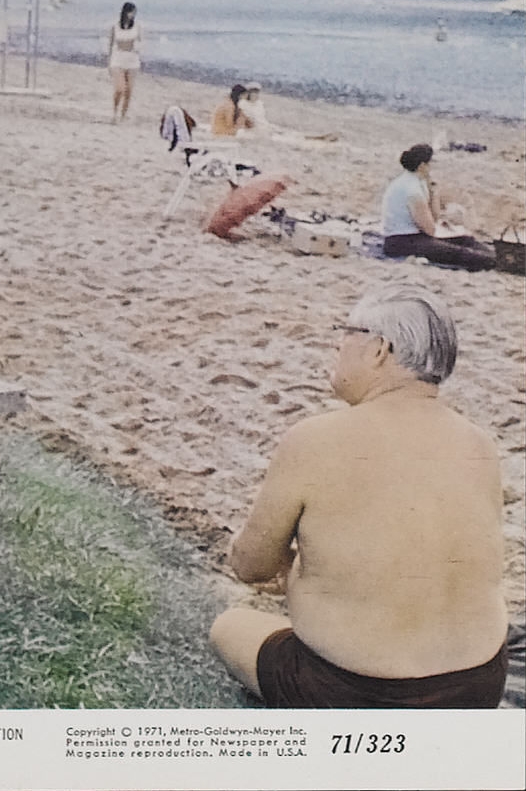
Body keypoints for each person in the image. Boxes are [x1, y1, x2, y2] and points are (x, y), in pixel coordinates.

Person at [210, 284, 508, 708]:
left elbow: (250, 566)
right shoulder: (480, 444)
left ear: (379, 350)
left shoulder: (316, 439)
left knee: (230, 625)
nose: (337, 342)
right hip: (476, 690)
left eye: (346, 331)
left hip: (355, 693)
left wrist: (301, 573)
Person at [381, 143, 496, 271]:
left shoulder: (419, 183)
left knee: (466, 240)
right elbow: (430, 229)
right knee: (458, 253)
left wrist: (434, 194)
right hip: (402, 241)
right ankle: (495, 262)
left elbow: (434, 219)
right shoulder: (411, 189)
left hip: (416, 236)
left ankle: (495, 257)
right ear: (422, 166)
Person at [107, 2, 142, 122]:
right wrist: (109, 61)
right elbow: (111, 44)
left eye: (134, 13)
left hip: (132, 60)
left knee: (129, 90)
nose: (132, 15)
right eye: (131, 12)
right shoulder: (115, 26)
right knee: (120, 88)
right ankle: (115, 112)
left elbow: (141, 43)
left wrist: (137, 49)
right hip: (118, 59)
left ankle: (123, 114)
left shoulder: (137, 26)